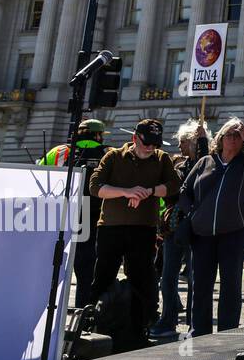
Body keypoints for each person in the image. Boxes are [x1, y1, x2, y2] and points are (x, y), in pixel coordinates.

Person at [177, 118, 244, 335]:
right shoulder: (205, 162)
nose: (234, 139)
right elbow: (185, 190)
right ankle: (199, 330)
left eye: (238, 136)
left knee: (230, 285)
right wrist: (194, 214)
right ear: (220, 138)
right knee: (200, 285)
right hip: (203, 234)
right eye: (230, 134)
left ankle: (228, 331)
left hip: (235, 232)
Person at [88, 120, 181, 335]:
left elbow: (174, 186)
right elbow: (95, 187)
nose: (150, 148)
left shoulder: (162, 158)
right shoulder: (113, 156)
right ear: (134, 138)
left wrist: (147, 191)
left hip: (143, 229)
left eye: (154, 144)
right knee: (103, 275)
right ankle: (93, 321)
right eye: (146, 143)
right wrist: (127, 191)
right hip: (111, 227)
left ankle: (140, 325)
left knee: (142, 278)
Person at [148, 120, 209, 338]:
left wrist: (203, 141)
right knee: (168, 275)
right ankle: (168, 319)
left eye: (184, 142)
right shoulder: (178, 166)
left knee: (195, 278)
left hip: (199, 227)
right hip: (175, 227)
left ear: (194, 142)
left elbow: (202, 170)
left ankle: (195, 322)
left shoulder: (208, 162)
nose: (180, 147)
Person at [38, 117, 107, 307]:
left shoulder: (59, 152)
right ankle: (82, 313)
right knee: (86, 271)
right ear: (98, 135)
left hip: (60, 214)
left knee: (53, 267)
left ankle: (47, 310)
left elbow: (40, 172)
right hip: (91, 216)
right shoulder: (106, 153)